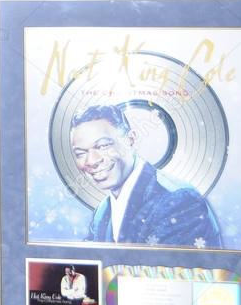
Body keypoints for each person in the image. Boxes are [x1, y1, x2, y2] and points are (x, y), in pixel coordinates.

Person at [70, 104, 222, 248]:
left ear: (130, 141)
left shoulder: (179, 200)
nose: (92, 161)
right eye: (80, 153)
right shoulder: (102, 212)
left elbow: (164, 271)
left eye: (103, 146)